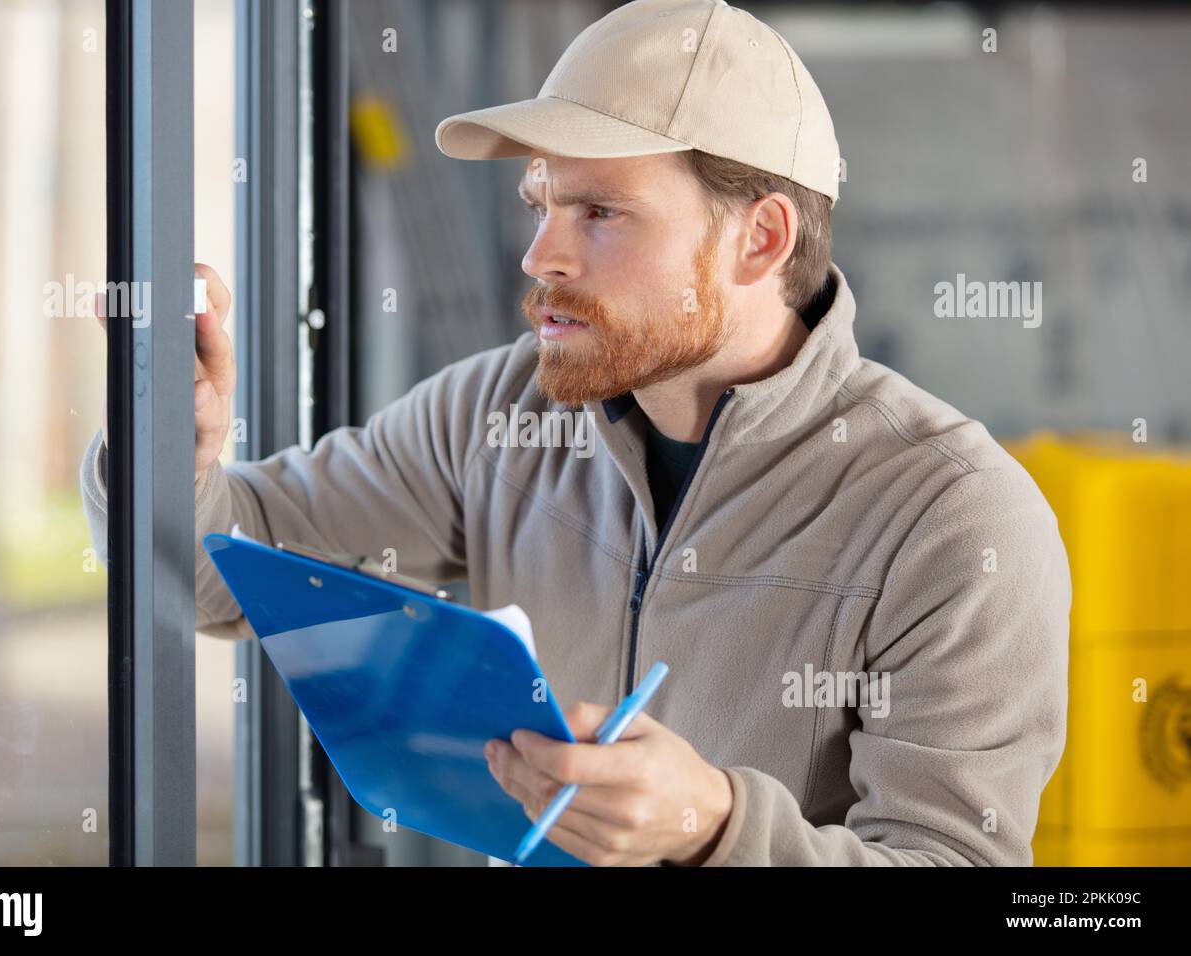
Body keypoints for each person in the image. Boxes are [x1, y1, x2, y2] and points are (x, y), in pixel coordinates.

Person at [81, 0, 1071, 866]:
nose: (540, 253)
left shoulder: (952, 516)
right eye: (542, 202)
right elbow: (222, 567)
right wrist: (175, 449)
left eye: (600, 211)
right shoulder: (497, 415)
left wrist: (713, 826)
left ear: (758, 239)